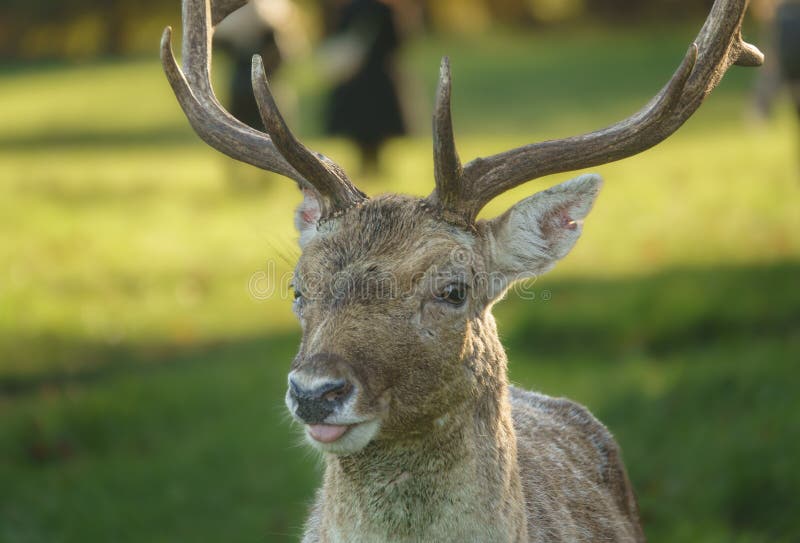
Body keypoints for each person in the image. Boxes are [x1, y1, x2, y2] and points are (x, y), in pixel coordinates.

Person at [322, 0, 408, 174]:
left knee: (357, 124)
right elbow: (396, 42)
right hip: (379, 76)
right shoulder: (385, 10)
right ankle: (375, 161)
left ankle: (364, 160)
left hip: (354, 79)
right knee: (379, 123)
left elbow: (336, 39)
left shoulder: (346, 10)